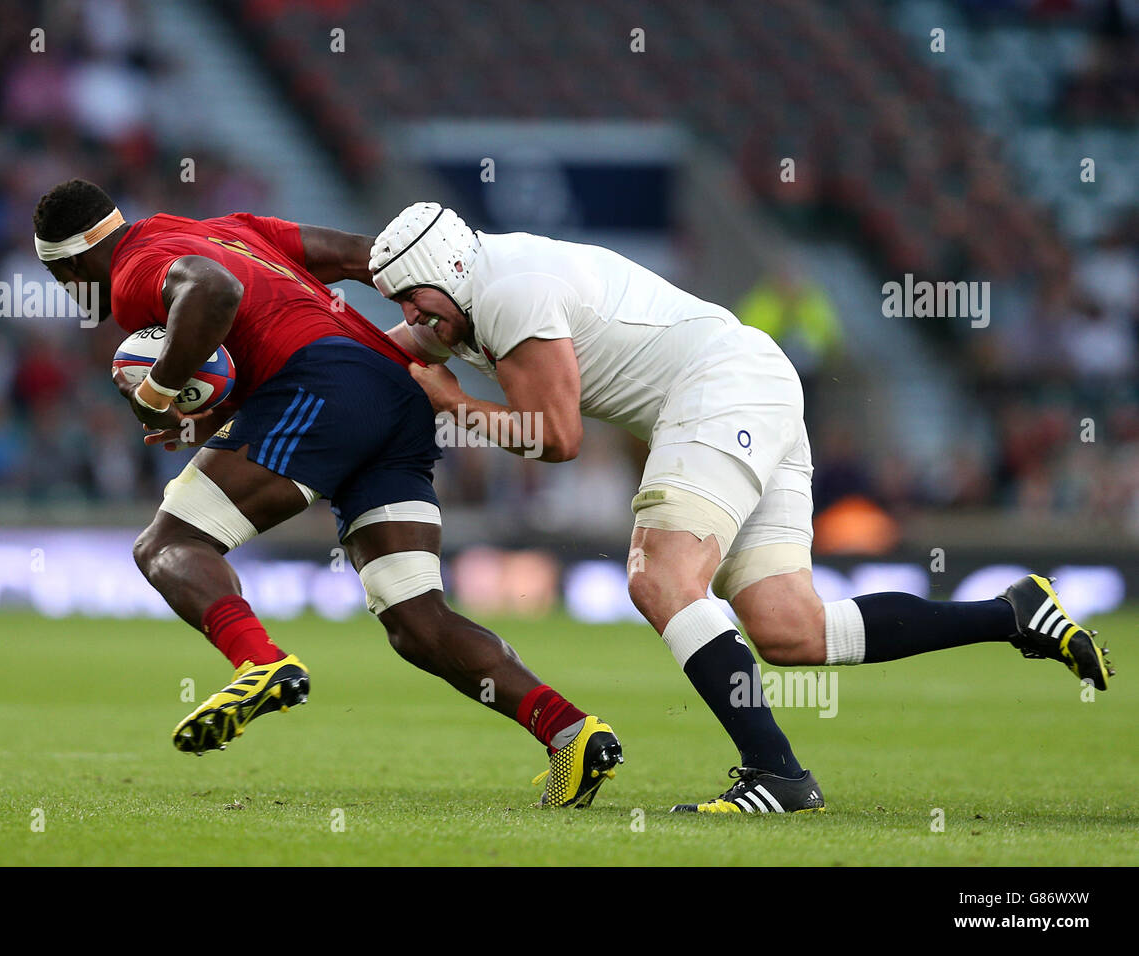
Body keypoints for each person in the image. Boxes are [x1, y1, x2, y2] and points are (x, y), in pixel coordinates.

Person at [369, 202, 1114, 814]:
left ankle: (777, 773)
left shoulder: (506, 293)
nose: (413, 317)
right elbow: (385, 341)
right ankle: (1012, 614)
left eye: (415, 301)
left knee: (660, 578)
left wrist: (457, 405)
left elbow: (558, 438)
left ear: (450, 274)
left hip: (720, 390)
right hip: (748, 385)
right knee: (792, 631)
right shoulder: (467, 288)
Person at [30, 180, 622, 807]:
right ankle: (570, 732)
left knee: (167, 544)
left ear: (67, 265)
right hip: (397, 393)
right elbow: (368, 256)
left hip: (324, 385)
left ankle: (258, 662)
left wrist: (155, 393)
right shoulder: (227, 228)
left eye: (61, 279)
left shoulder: (130, 274)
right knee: (416, 619)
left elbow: (213, 292)